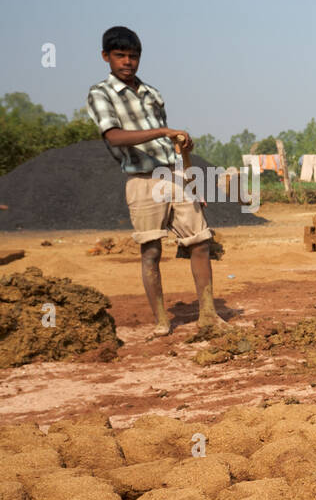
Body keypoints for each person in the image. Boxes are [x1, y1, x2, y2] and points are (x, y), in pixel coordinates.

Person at [86, 26, 229, 337]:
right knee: (151, 251)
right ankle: (162, 321)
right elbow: (114, 137)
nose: (127, 62)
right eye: (120, 56)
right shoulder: (101, 93)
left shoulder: (152, 94)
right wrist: (163, 133)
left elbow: (169, 147)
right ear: (105, 57)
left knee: (201, 242)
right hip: (141, 180)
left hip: (173, 174)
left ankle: (207, 313)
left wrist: (184, 155)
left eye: (133, 56)